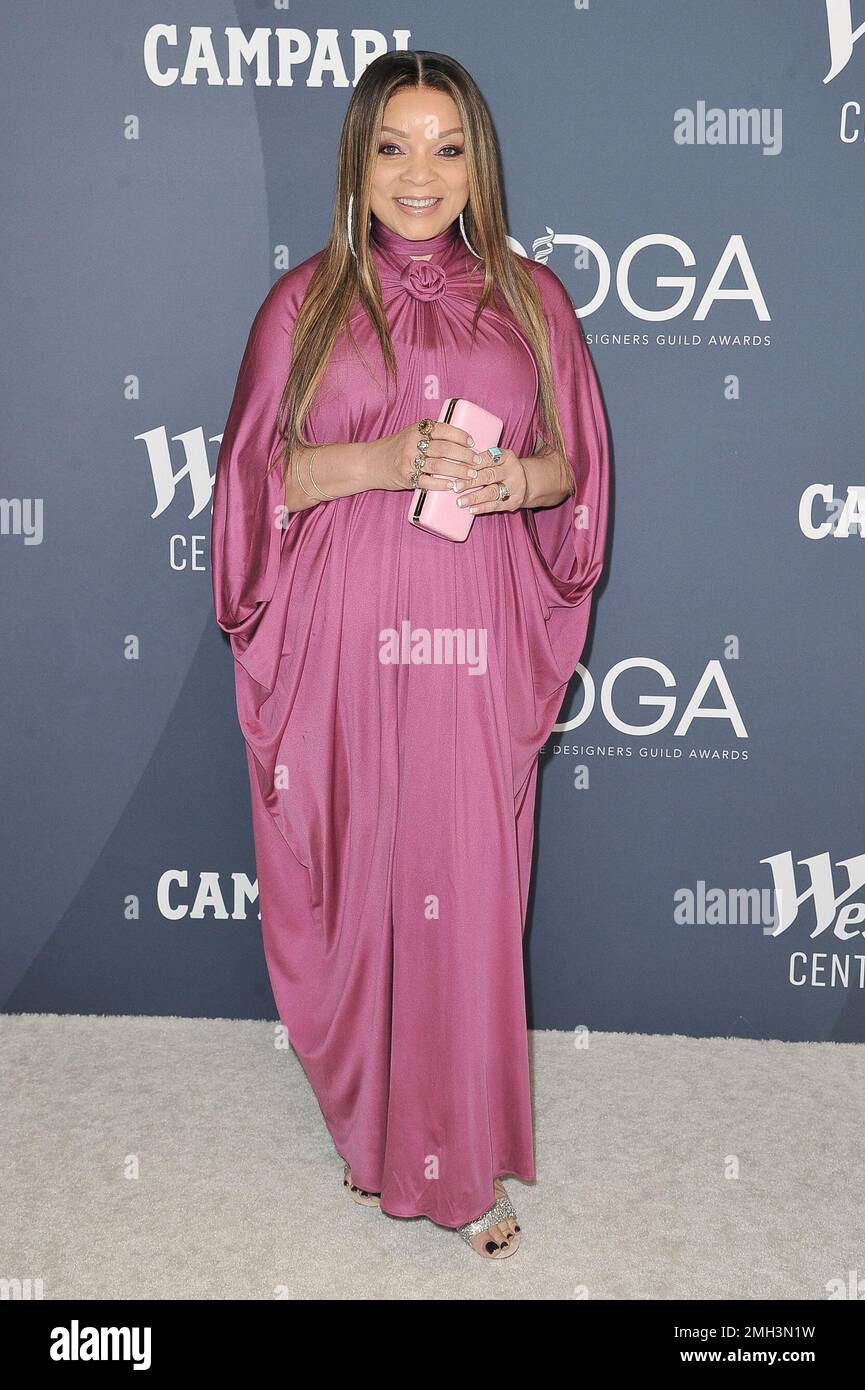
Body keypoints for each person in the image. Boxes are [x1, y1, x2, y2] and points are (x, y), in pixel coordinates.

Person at [210, 49, 610, 1260]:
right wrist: (383, 460)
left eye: (446, 147)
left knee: (464, 882)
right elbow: (255, 483)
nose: (419, 173)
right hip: (343, 637)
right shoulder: (302, 303)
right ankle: (376, 1130)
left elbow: (572, 470)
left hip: (473, 634)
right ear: (358, 162)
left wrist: (506, 480)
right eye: (392, 146)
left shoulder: (533, 300)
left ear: (478, 165)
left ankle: (456, 1165)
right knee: (365, 875)